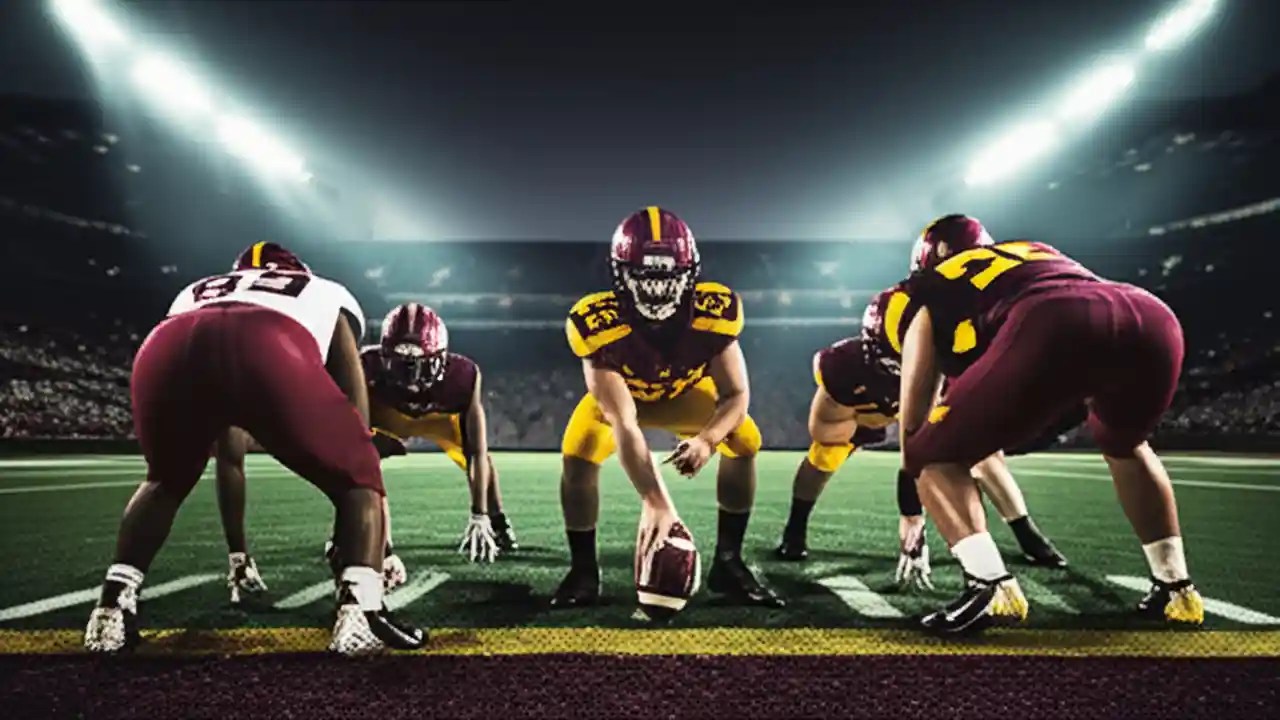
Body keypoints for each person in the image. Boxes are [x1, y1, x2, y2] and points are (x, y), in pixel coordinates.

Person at [83, 241, 425, 656]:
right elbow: (353, 398)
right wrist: (362, 448)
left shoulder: (201, 288)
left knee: (163, 482)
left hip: (166, 345)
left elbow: (228, 446)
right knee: (359, 479)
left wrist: (238, 551)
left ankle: (111, 610)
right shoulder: (323, 291)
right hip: (270, 343)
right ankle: (360, 611)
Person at [897, 215, 1203, 634]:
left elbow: (913, 424)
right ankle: (1176, 588)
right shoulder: (1032, 250)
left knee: (930, 455)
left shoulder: (929, 289)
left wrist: (911, 504)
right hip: (1149, 315)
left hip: (1052, 321)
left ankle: (989, 585)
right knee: (1126, 444)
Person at [552, 206, 784, 609]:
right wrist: (656, 501)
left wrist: (708, 440)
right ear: (620, 275)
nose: (657, 290)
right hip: (627, 399)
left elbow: (736, 394)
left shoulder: (714, 312)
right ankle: (583, 571)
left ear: (690, 274)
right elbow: (624, 421)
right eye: (645, 276)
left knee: (745, 439)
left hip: (684, 393)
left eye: (667, 277)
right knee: (577, 454)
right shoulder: (597, 322)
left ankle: (728, 562)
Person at [776, 280, 1069, 588]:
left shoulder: (956, 350)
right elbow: (824, 429)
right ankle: (796, 526)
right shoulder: (846, 367)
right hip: (869, 410)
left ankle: (1025, 531)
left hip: (927, 403)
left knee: (982, 453)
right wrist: (873, 422)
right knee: (826, 451)